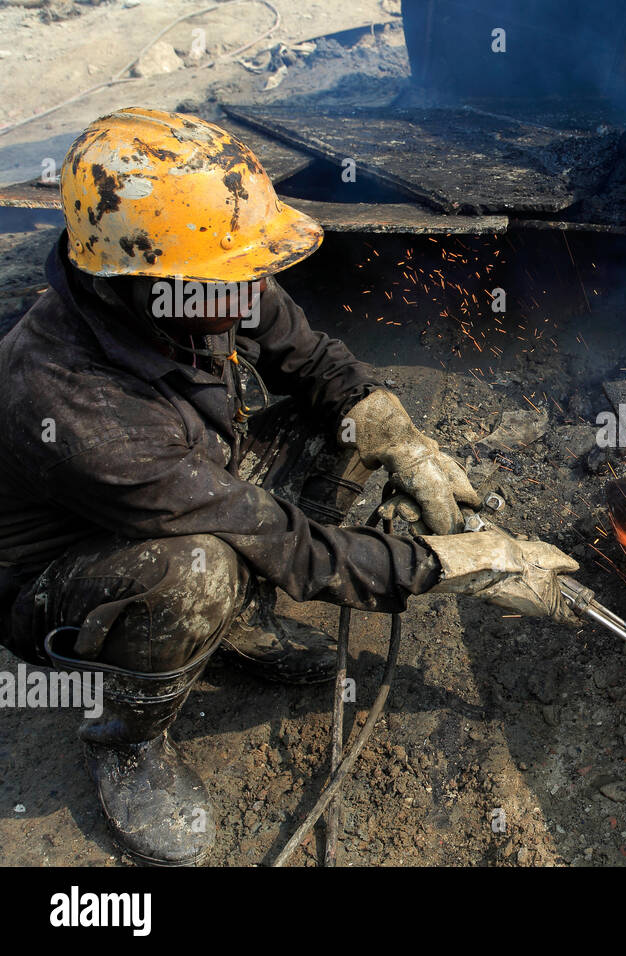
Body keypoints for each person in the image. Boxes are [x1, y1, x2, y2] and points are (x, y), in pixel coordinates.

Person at [0, 108, 578, 865]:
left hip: (183, 487)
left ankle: (241, 625)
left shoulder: (206, 279)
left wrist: (400, 439)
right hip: (63, 577)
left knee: (342, 426)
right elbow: (283, 542)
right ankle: (126, 742)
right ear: (143, 284)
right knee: (197, 571)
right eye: (232, 281)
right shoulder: (71, 399)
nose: (254, 293)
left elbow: (311, 362)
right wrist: (454, 565)